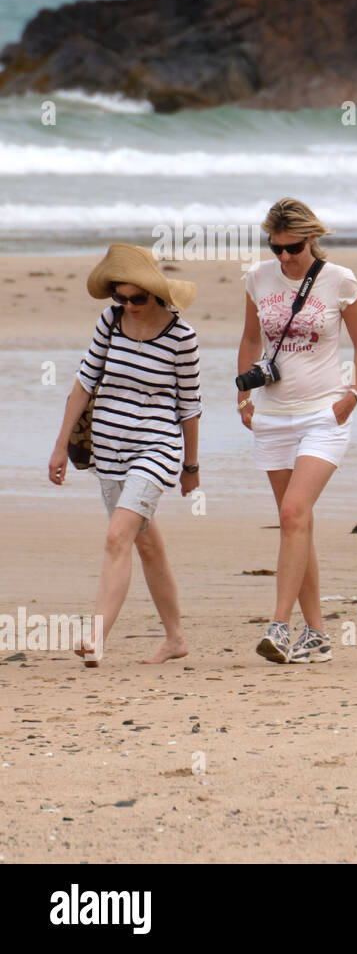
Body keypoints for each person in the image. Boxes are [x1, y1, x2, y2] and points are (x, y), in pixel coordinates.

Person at [48, 243, 201, 665]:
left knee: (117, 536)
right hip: (109, 449)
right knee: (145, 545)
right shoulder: (110, 321)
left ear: (155, 293)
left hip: (157, 448)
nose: (129, 305)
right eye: (121, 297)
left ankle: (95, 637)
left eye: (137, 297)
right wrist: (60, 445)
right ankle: (175, 639)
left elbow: (189, 407)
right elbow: (83, 383)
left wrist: (191, 466)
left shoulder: (182, 337)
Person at [239, 198, 357, 664]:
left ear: (311, 239)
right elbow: (251, 339)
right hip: (273, 415)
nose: (283, 257)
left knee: (294, 512)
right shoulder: (258, 279)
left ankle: (278, 626)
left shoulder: (339, 280)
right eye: (275, 247)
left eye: (292, 247)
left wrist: (352, 394)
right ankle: (317, 634)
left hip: (324, 414)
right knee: (297, 523)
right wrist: (243, 395)